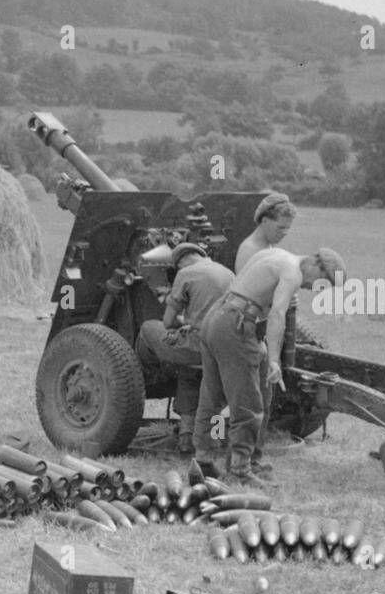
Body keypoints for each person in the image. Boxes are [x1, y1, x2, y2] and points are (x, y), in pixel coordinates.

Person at [193, 247, 346, 485]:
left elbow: (249, 288)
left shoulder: (275, 255)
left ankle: (206, 458)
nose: (313, 288)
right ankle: (239, 469)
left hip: (219, 317)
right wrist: (274, 359)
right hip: (237, 325)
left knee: (215, 398)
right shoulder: (293, 273)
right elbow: (277, 315)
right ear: (316, 264)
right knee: (249, 405)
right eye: (321, 282)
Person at [136, 241, 234, 454]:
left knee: (148, 328)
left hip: (198, 347)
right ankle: (203, 438)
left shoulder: (186, 274)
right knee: (195, 375)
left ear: (180, 263)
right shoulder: (228, 273)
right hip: (225, 348)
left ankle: (149, 373)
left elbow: (169, 322)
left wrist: (183, 320)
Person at [234, 193, 300, 470]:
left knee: (266, 392)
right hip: (254, 326)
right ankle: (251, 456)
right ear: (263, 220)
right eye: (279, 227)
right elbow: (249, 294)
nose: (283, 233)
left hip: (268, 322)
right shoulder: (251, 249)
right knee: (259, 394)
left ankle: (255, 452)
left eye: (287, 228)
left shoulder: (268, 247)